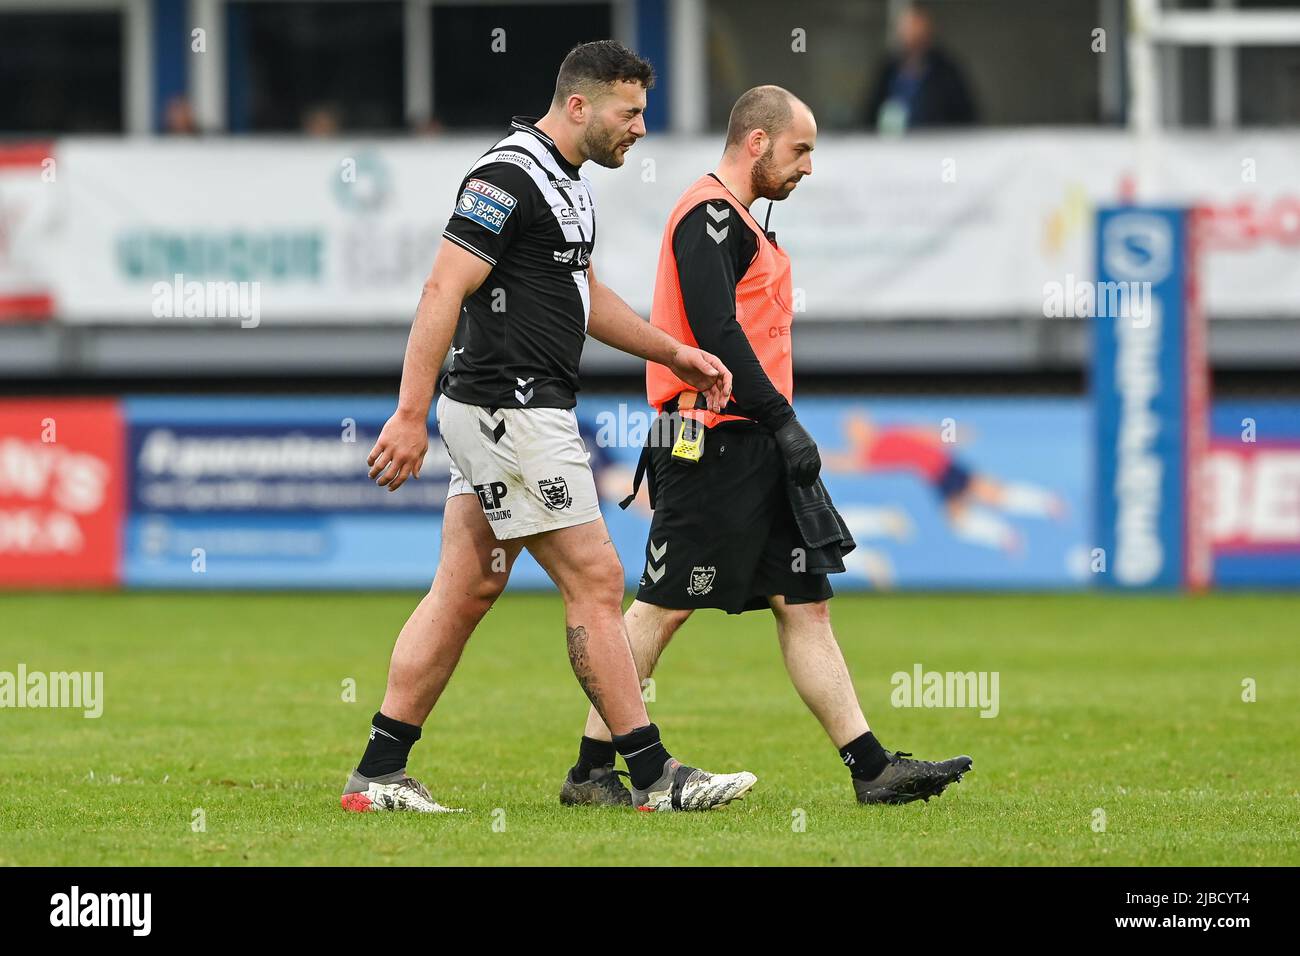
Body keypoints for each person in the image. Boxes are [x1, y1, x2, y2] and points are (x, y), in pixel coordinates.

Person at [342, 41, 757, 814]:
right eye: (629, 112)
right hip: (512, 411)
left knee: (466, 588)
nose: (639, 128)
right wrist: (408, 412)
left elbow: (584, 294)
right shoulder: (506, 176)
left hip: (511, 412)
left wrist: (675, 352)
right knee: (596, 580)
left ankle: (378, 773)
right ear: (579, 105)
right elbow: (443, 286)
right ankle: (652, 774)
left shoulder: (567, 185)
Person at [560, 85, 973, 808]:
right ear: (756, 142)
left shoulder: (738, 221)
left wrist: (776, 431)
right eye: (800, 149)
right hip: (711, 441)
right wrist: (783, 421)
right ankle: (592, 769)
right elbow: (718, 333)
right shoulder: (708, 216)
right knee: (661, 608)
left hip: (750, 444)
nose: (808, 167)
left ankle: (871, 768)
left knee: (804, 605)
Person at [864, 2, 977, 133]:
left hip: (936, 141)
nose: (913, 42)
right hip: (893, 143)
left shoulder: (946, 71)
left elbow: (965, 114)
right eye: (909, 36)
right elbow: (870, 112)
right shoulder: (888, 69)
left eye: (918, 37)